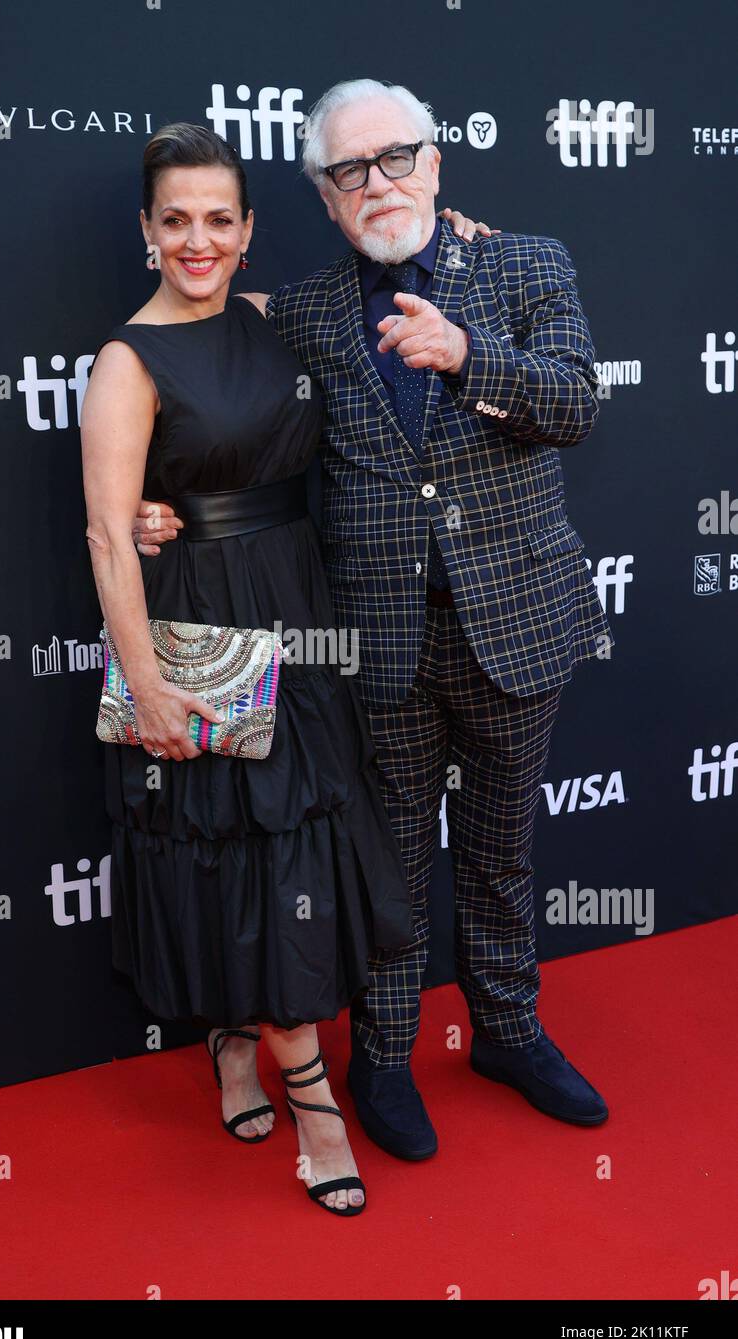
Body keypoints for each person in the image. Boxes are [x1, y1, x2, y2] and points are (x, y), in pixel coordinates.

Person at [132, 79, 613, 1164]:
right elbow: (195, 357)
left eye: (396, 158)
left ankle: (506, 1030)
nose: (377, 183)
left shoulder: (525, 263)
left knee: (498, 856)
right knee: (388, 864)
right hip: (379, 644)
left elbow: (578, 401)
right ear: (322, 196)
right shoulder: (299, 311)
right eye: (349, 171)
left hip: (516, 628)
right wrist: (163, 506)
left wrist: (467, 354)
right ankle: (383, 1060)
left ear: (436, 163)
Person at [81, 121, 487, 1213]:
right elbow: (112, 536)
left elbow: (385, 269)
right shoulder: (125, 358)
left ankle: (233, 1047)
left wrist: (453, 232)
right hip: (202, 625)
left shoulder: (276, 318)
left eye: (219, 219)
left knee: (285, 841)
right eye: (176, 221)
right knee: (223, 840)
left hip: (299, 615)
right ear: (147, 232)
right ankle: (309, 1099)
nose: (198, 240)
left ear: (249, 230)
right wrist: (147, 680)